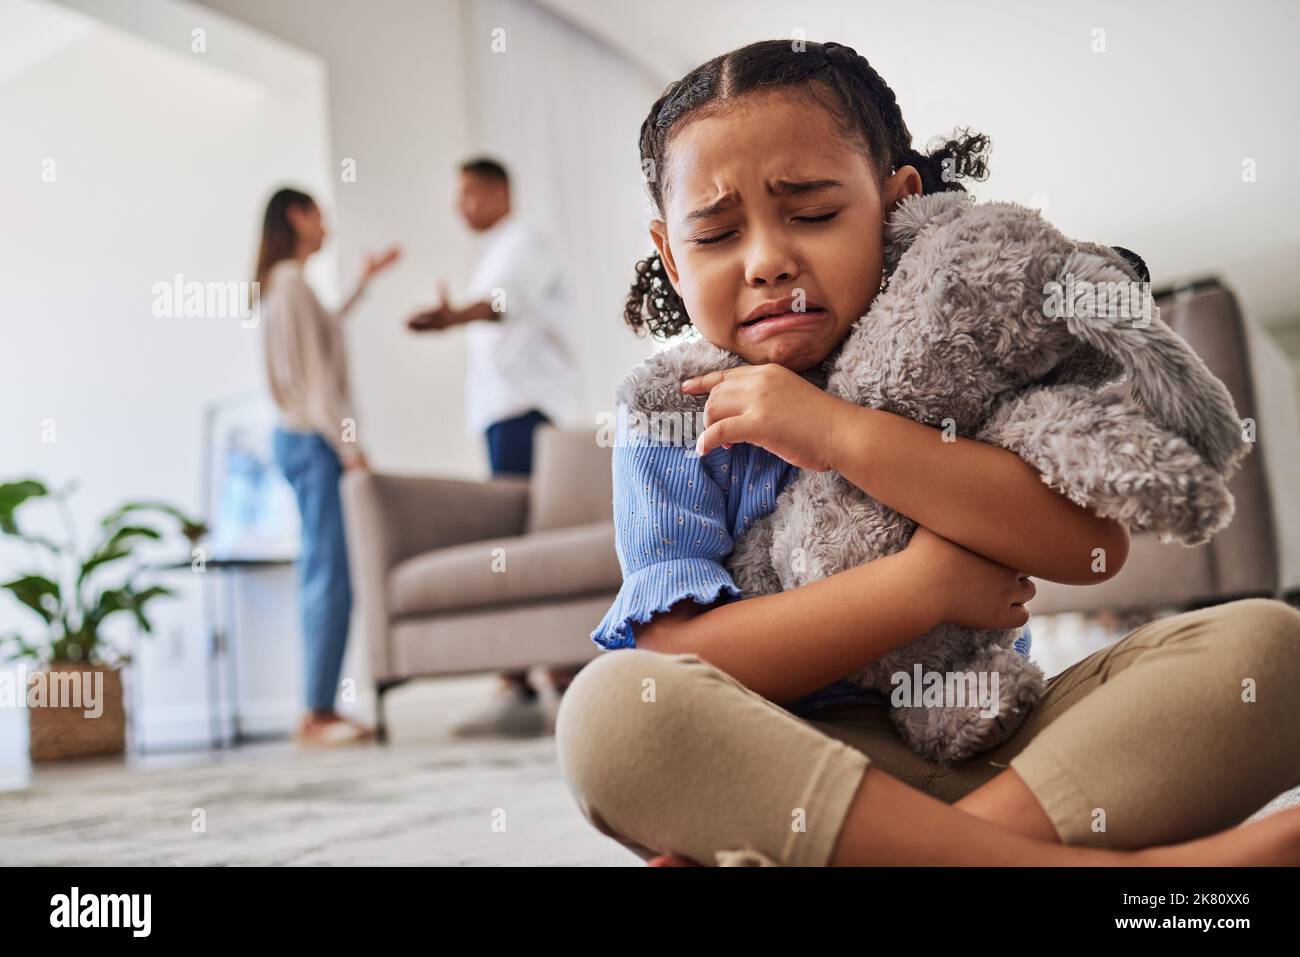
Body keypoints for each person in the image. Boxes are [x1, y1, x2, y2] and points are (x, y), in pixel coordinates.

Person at [554, 40, 1300, 866]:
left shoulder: (959, 349)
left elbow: (1088, 549)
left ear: (895, 200)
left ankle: (930, 854)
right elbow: (674, 657)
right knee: (613, 713)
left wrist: (837, 434)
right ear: (670, 255)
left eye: (813, 213)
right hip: (800, 769)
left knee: (1268, 652)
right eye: (718, 234)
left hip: (1003, 748)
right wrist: (922, 586)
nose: (767, 260)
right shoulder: (667, 413)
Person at [407, 158, 585, 737]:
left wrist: (454, 315)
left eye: (467, 194)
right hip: (502, 412)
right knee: (513, 531)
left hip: (524, 409)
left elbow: (502, 302)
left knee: (529, 532)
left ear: (498, 191)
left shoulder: (522, 241)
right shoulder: (494, 251)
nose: (460, 207)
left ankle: (552, 658)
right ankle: (523, 664)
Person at [256, 187, 400, 746]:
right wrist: (349, 445)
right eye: (318, 212)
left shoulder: (287, 284)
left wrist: (361, 283)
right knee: (330, 574)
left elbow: (324, 334)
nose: (325, 222)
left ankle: (319, 708)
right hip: (313, 442)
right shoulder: (290, 282)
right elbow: (317, 379)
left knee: (329, 570)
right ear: (297, 216)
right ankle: (317, 713)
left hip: (299, 439)